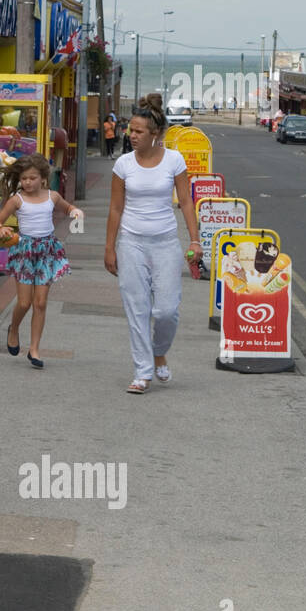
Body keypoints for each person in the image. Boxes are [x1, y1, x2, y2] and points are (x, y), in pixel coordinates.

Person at [104, 93, 203, 394]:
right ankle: (142, 371)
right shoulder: (123, 164)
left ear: (154, 133)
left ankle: (160, 350)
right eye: (130, 130)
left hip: (165, 243)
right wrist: (110, 247)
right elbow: (115, 208)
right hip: (131, 243)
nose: (131, 135)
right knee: (137, 308)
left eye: (138, 131)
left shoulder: (174, 160)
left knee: (165, 311)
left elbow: (186, 202)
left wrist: (195, 241)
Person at [0, 153, 83, 369]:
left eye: (32, 178)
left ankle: (34, 349)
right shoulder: (17, 199)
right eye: (24, 179)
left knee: (40, 303)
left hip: (46, 250)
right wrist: (1, 228)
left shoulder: (52, 196)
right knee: (24, 303)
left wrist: (76, 212)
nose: (27, 182)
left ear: (43, 178)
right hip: (24, 250)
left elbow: (68, 208)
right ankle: (13, 329)